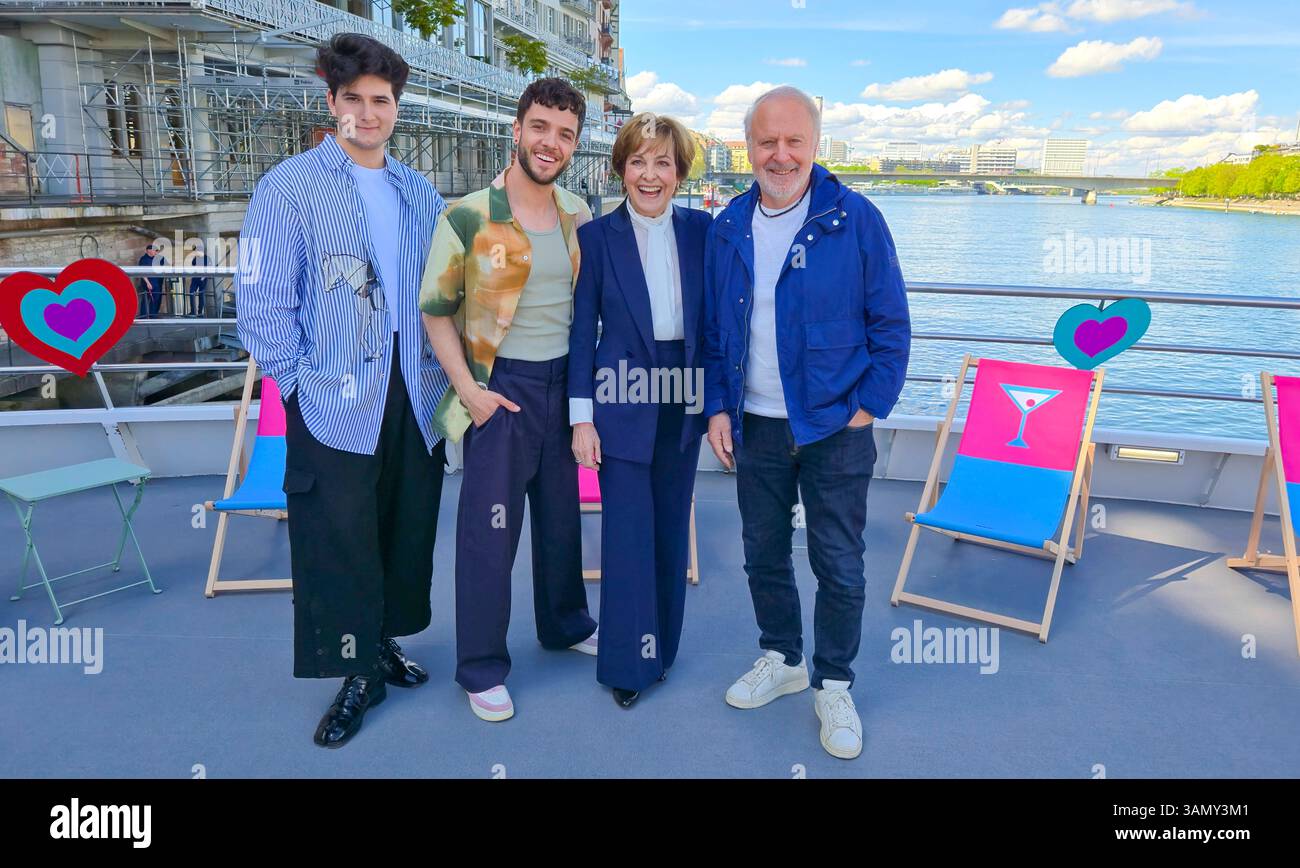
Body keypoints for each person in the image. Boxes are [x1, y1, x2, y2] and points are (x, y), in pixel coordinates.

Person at [235, 33, 450, 748]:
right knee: (339, 534)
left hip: (413, 389)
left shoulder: (419, 192)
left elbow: (441, 293)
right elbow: (261, 299)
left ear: (396, 108)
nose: (367, 112)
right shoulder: (287, 187)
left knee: (404, 522)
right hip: (329, 391)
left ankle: (383, 639)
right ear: (332, 104)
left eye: (380, 100)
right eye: (352, 99)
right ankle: (355, 672)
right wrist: (293, 386)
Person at [702, 86, 911, 760]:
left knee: (839, 563)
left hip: (833, 429)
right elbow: (714, 331)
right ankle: (784, 658)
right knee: (762, 552)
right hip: (755, 426)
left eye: (795, 141)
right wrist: (716, 408)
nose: (781, 154)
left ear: (815, 145)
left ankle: (834, 681)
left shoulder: (857, 220)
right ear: (749, 147)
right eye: (768, 141)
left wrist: (869, 407)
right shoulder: (729, 224)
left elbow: (892, 326)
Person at [420, 77, 598, 723]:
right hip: (502, 390)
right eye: (541, 127)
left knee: (561, 521)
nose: (550, 143)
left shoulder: (579, 213)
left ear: (574, 145)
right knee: (488, 537)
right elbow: (436, 311)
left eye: (565, 134)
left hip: (563, 385)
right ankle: (481, 668)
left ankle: (566, 625)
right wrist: (469, 391)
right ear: (518, 129)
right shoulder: (467, 214)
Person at [568, 112, 711, 708]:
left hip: (685, 396)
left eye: (663, 163)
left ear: (678, 173)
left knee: (670, 531)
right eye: (638, 162)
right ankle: (629, 666)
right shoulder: (597, 239)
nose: (650, 175)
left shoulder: (705, 232)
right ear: (620, 169)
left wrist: (720, 405)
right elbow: (581, 332)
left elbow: (721, 322)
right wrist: (581, 416)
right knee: (627, 536)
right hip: (621, 396)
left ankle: (662, 652)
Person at [137, 243, 163, 318]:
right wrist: (148, 283)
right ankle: (143, 316)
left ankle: (153, 315)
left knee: (155, 299)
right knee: (146, 299)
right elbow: (142, 272)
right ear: (149, 251)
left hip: (156, 282)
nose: (156, 252)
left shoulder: (156, 259)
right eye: (154, 250)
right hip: (148, 283)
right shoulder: (144, 259)